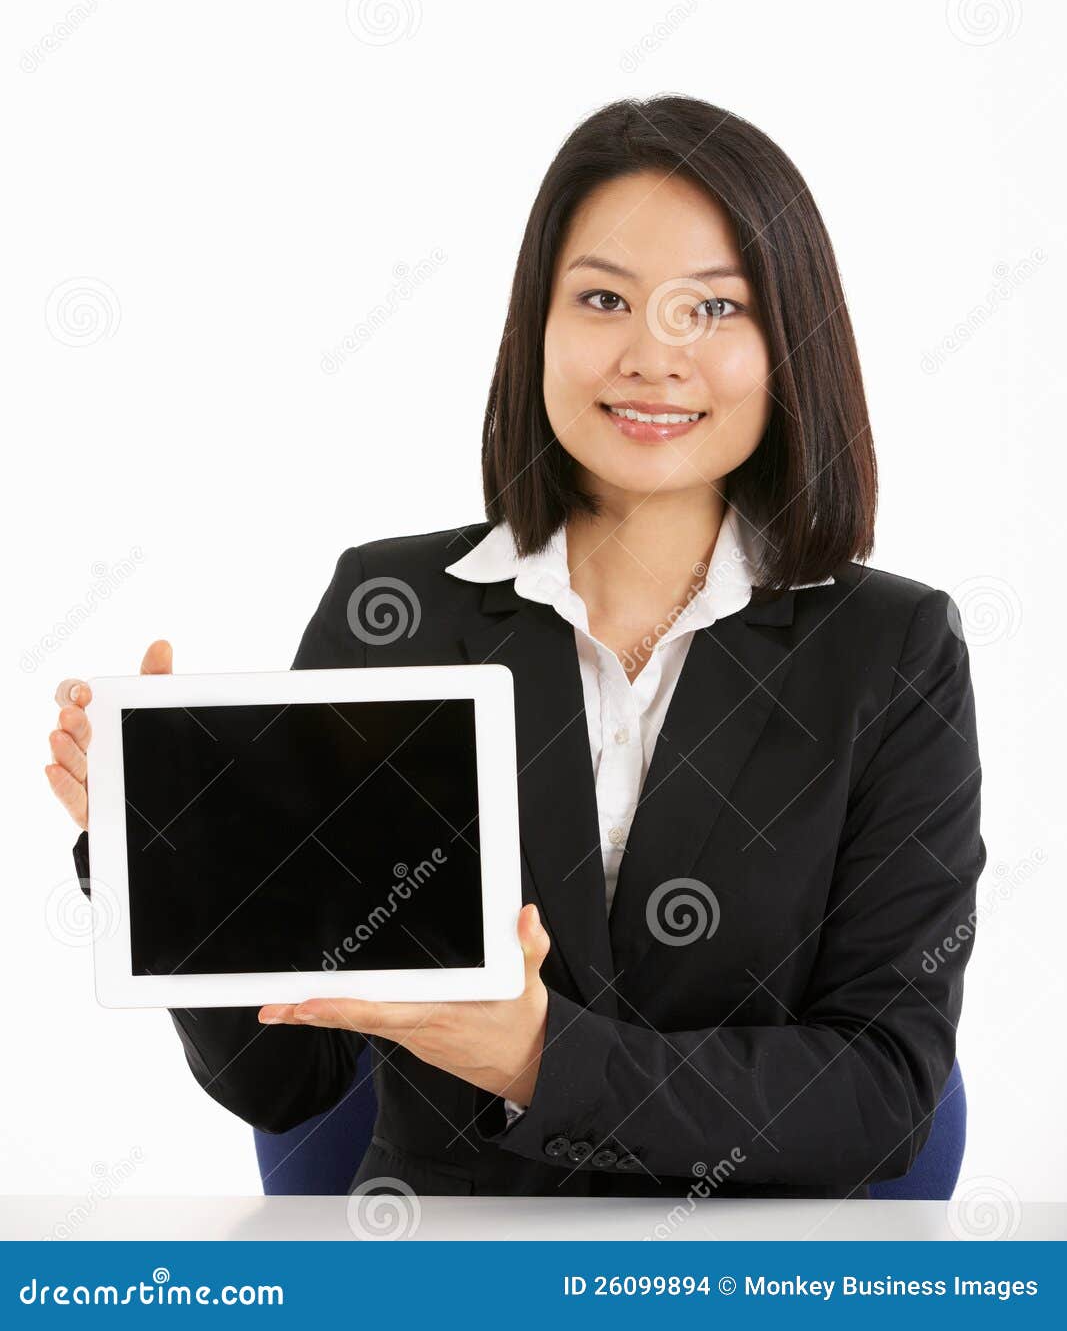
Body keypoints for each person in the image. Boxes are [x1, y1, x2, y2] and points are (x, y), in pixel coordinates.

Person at [47, 94, 986, 1198]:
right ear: (534, 326)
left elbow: (879, 1094)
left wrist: (538, 1058)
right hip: (448, 1270)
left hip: (747, 1274)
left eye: (713, 310)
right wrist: (176, 859)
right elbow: (287, 1078)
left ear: (790, 346)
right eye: (602, 299)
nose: (651, 355)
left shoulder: (889, 650)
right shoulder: (388, 607)